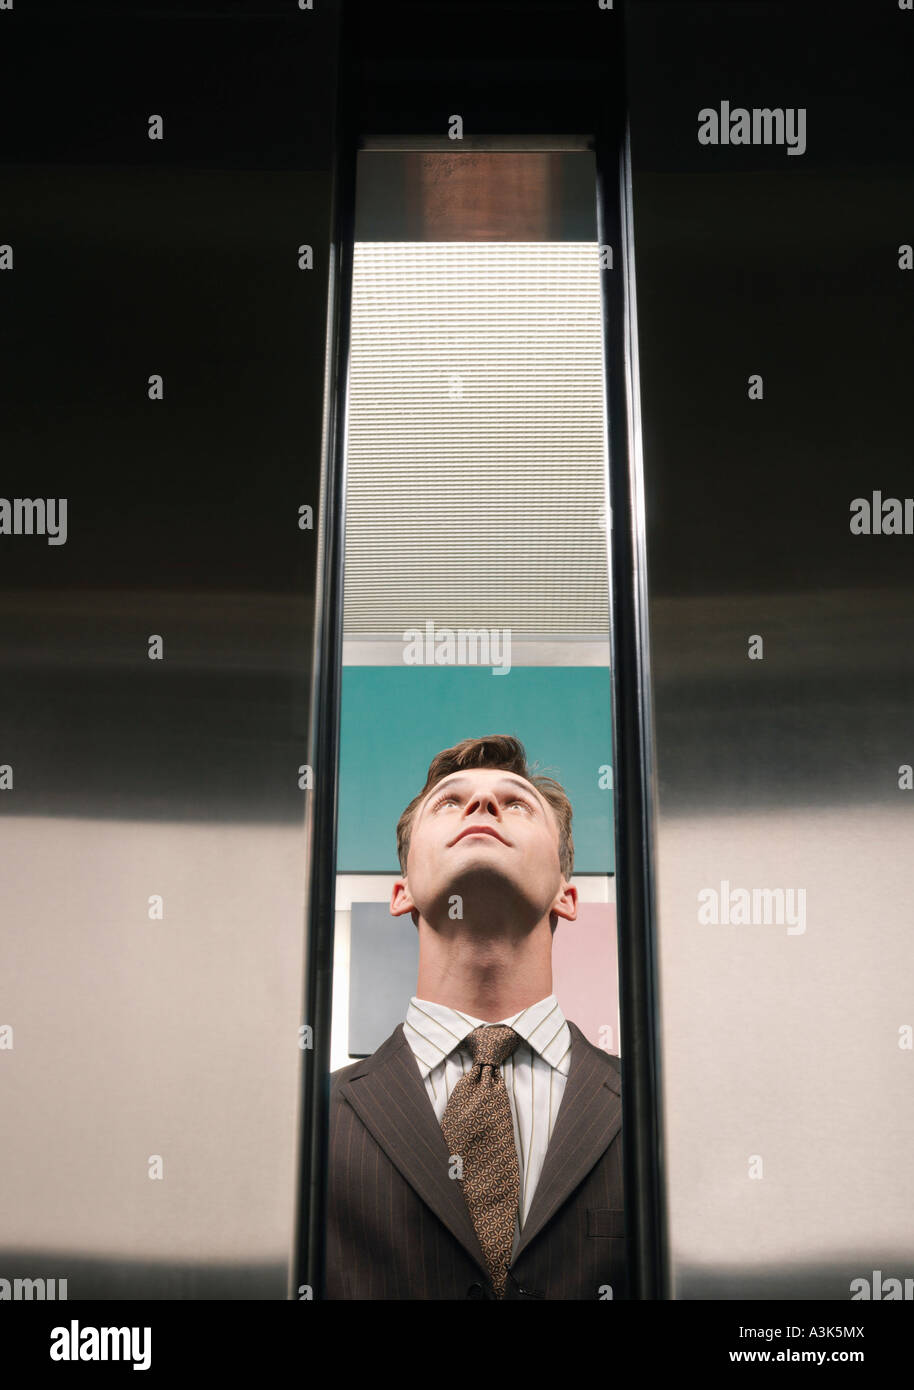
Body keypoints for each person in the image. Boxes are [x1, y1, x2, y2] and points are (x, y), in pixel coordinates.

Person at [324, 734, 625, 1300]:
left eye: (515, 803)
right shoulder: (310, 1121)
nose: (481, 806)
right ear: (401, 891)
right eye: (449, 801)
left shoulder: (656, 1111)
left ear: (567, 895)